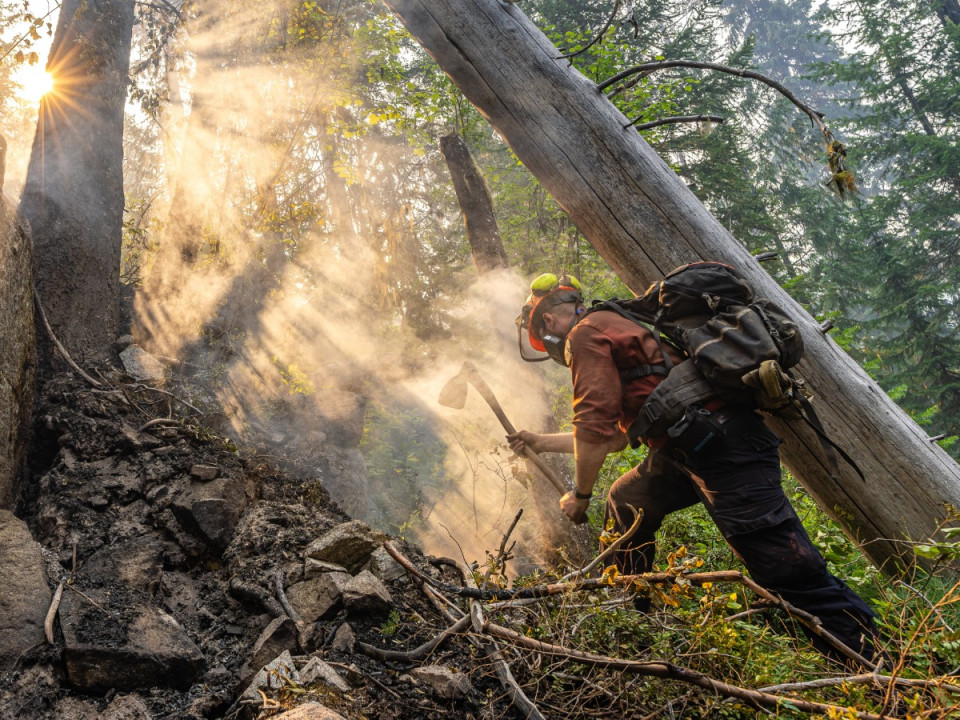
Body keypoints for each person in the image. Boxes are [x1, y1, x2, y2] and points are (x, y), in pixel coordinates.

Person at [509, 271, 881, 664]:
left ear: (548, 320)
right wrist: (539, 441)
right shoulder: (614, 322)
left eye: (545, 337)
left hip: (723, 448)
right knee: (627, 500)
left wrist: (581, 495)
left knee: (785, 569)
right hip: (690, 448)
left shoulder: (584, 334)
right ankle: (629, 617)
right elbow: (614, 436)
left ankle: (875, 664)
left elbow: (593, 426)